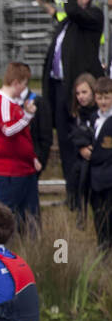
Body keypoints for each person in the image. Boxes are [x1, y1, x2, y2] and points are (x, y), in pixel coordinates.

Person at [42, 0, 107, 211]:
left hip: (77, 90)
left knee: (82, 141)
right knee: (66, 144)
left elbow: (71, 8)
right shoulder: (68, 22)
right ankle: (72, 196)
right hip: (59, 88)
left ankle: (86, 195)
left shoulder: (93, 16)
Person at [0, 62, 43, 234]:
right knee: (9, 215)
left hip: (23, 167)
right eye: (24, 84)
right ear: (16, 83)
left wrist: (32, 157)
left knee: (30, 215)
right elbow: (8, 129)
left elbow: (21, 136)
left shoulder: (12, 103)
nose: (25, 88)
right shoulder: (3, 102)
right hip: (10, 171)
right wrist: (27, 116)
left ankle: (31, 249)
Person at [78, 77, 112, 249]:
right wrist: (82, 148)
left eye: (107, 98)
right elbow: (83, 136)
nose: (103, 102)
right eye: (100, 98)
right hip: (93, 178)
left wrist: (93, 153)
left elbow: (105, 152)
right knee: (98, 215)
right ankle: (102, 246)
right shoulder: (93, 117)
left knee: (109, 216)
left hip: (108, 178)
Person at [69, 72, 100, 218]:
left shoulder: (100, 114)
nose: (81, 96)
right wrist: (81, 147)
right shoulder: (77, 115)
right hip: (81, 163)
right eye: (78, 93)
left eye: (84, 92)